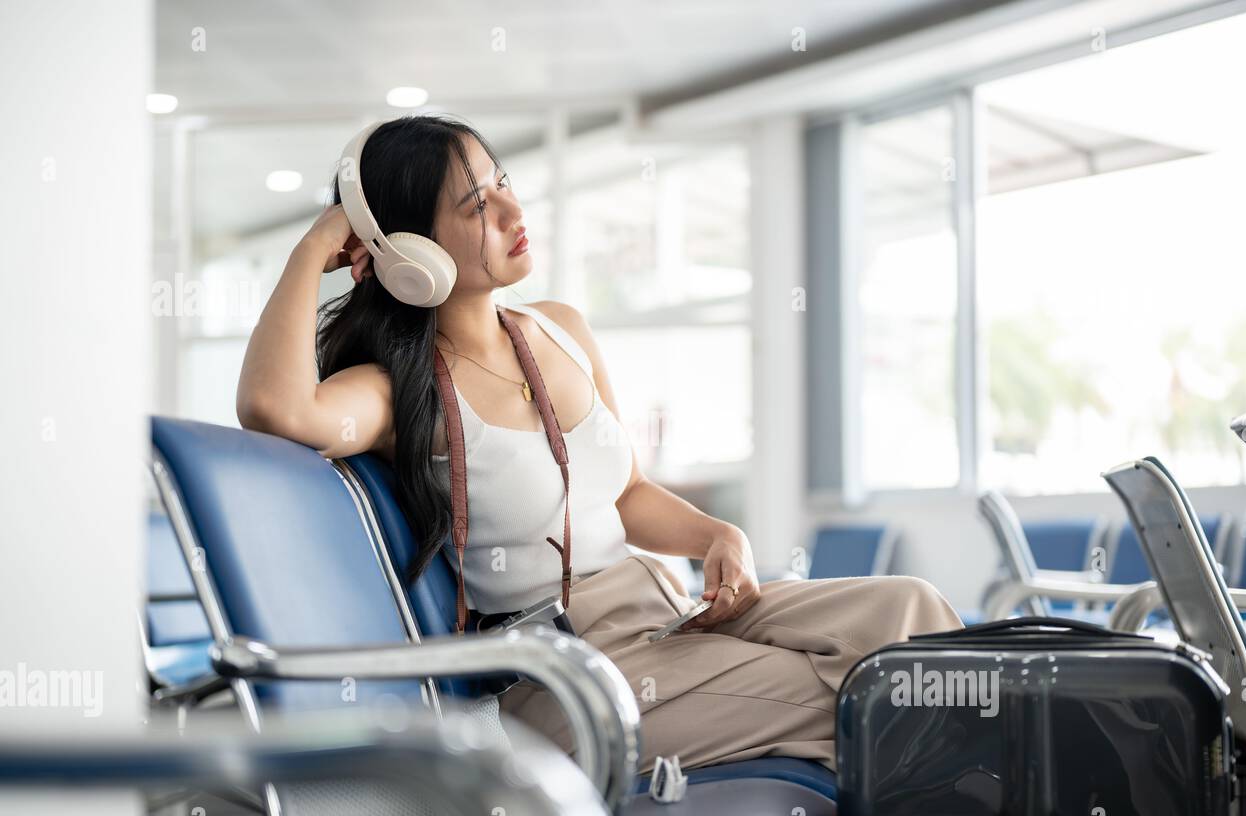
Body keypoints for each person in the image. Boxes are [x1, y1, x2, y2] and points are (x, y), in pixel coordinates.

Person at [237, 115, 963, 776]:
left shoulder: (560, 329)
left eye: (503, 184)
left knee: (909, 612)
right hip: (566, 671)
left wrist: (719, 534)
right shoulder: (398, 389)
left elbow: (629, 492)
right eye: (476, 207)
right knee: (871, 693)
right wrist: (315, 246)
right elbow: (274, 408)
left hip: (663, 610)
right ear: (410, 253)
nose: (514, 213)